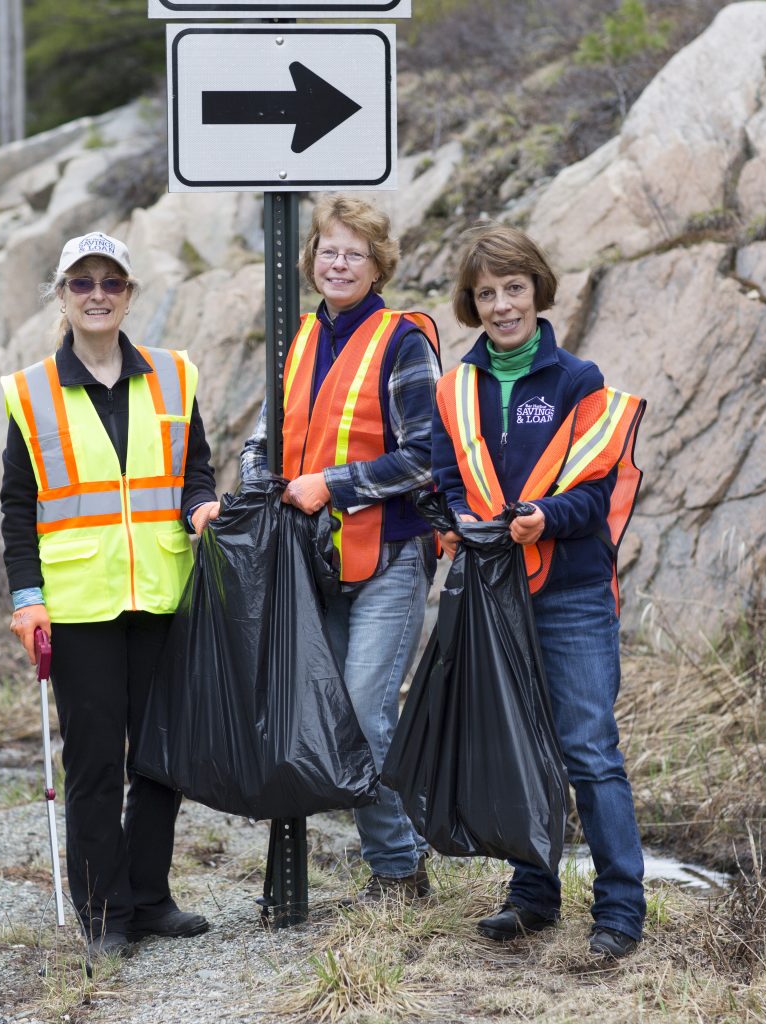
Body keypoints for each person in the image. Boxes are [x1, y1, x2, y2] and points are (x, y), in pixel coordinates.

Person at [0, 231, 218, 959]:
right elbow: (17, 506)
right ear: (61, 297)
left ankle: (151, 899)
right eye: (82, 283)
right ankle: (102, 911)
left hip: (162, 593)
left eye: (111, 283)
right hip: (78, 606)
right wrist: (27, 597)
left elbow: (197, 472)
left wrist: (201, 508)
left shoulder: (173, 376)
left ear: (129, 295)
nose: (97, 295)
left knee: (160, 758)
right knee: (95, 762)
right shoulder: (31, 393)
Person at [431, 223, 647, 958]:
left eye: (513, 289)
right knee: (524, 747)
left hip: (574, 592)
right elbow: (447, 481)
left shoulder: (578, 381)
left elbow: (595, 495)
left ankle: (620, 911)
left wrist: (541, 518)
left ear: (537, 291)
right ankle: (533, 895)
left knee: (589, 750)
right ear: (472, 303)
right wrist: (457, 524)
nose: (501, 306)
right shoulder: (455, 389)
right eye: (485, 294)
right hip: (499, 595)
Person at [240, 194, 441, 904]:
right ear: (311, 260)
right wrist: (255, 492)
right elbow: (263, 442)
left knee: (360, 710)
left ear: (379, 265)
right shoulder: (297, 337)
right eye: (328, 249)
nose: (339, 262)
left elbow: (428, 458)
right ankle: (396, 861)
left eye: (355, 252)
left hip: (389, 557)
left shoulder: (402, 341)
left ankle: (399, 867)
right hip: (311, 562)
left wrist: (333, 483)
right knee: (324, 715)